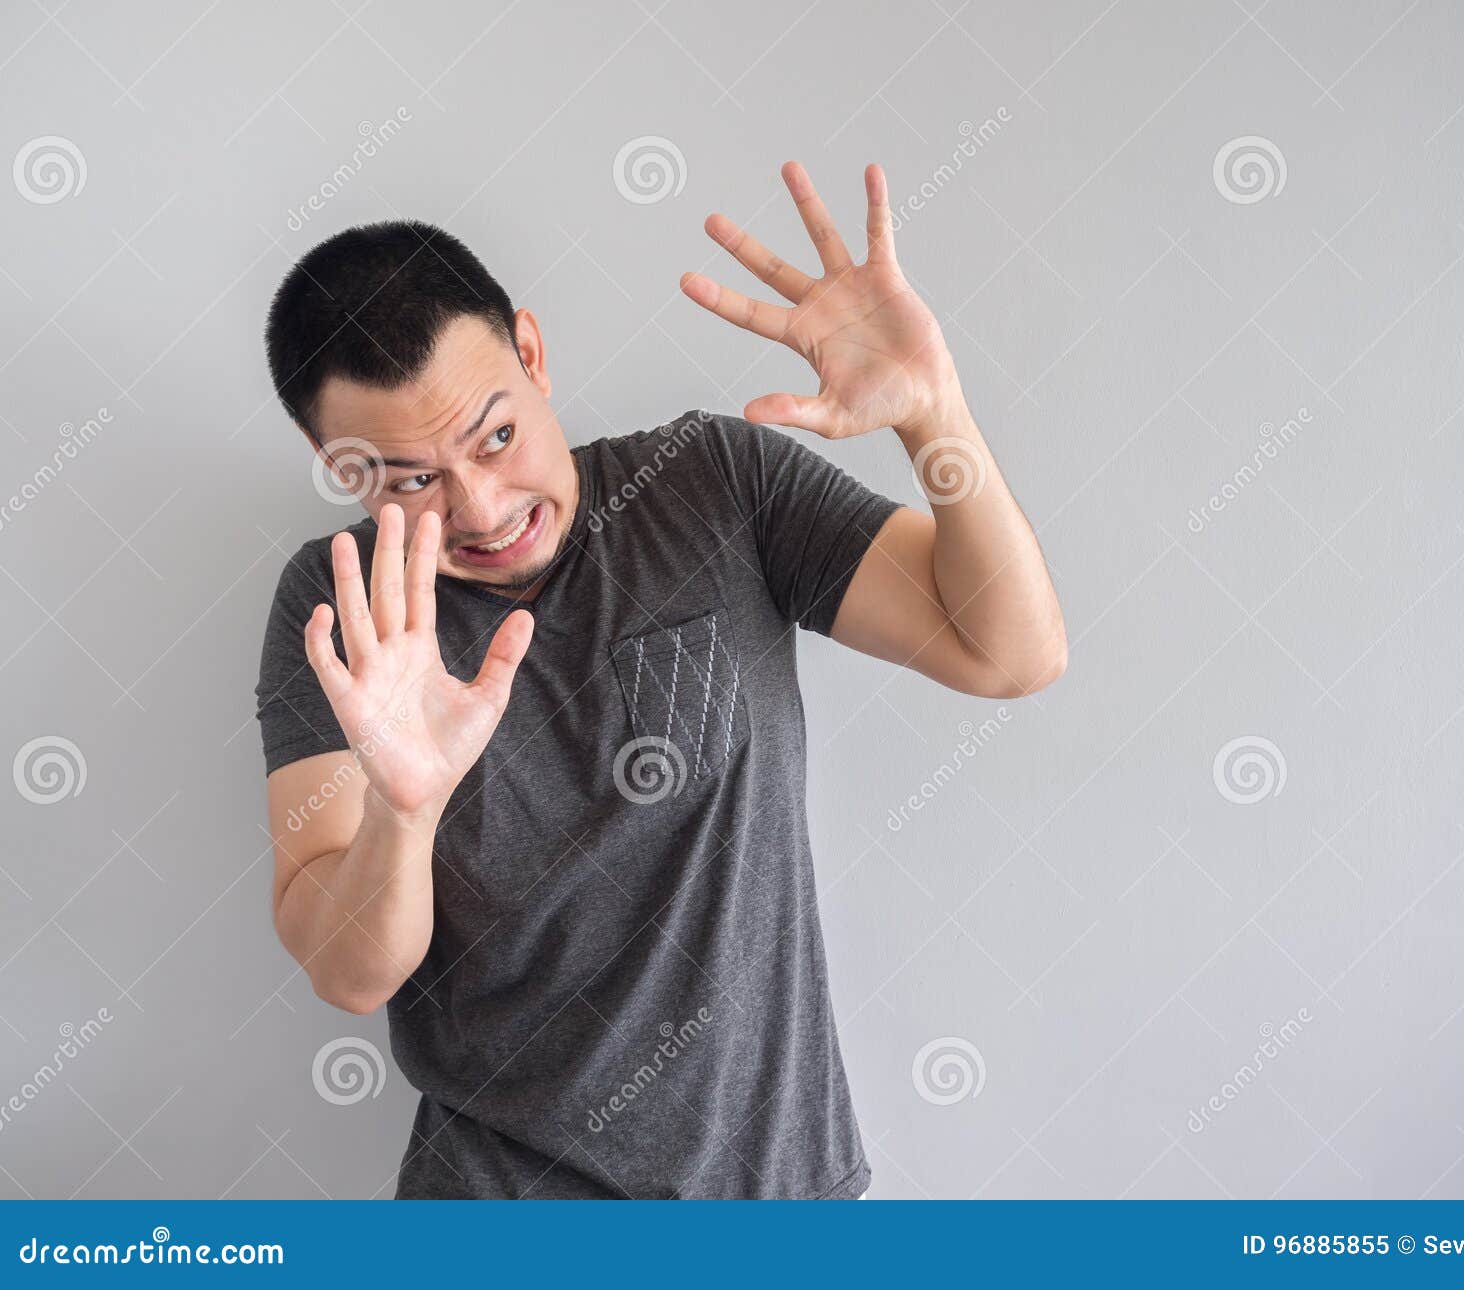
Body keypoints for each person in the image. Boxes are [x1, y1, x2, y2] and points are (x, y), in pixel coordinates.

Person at [255, 160, 1067, 1199]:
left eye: (495, 436)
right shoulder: (336, 609)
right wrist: (404, 812)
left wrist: (933, 416)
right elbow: (348, 971)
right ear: (335, 463)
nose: (482, 507)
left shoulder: (715, 485)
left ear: (533, 356)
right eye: (411, 480)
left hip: (775, 1194)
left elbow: (1010, 653)